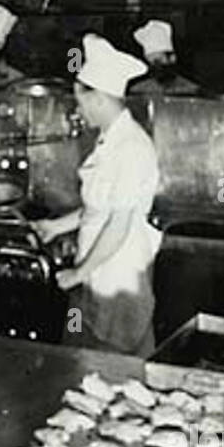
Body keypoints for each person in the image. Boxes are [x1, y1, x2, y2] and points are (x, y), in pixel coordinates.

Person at [33, 34, 161, 355]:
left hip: (119, 280)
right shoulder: (107, 143)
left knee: (118, 368)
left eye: (81, 101)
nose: (79, 109)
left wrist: (79, 272)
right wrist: (56, 227)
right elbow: (98, 207)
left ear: (99, 99)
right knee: (83, 356)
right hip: (95, 273)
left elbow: (118, 223)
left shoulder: (131, 148)